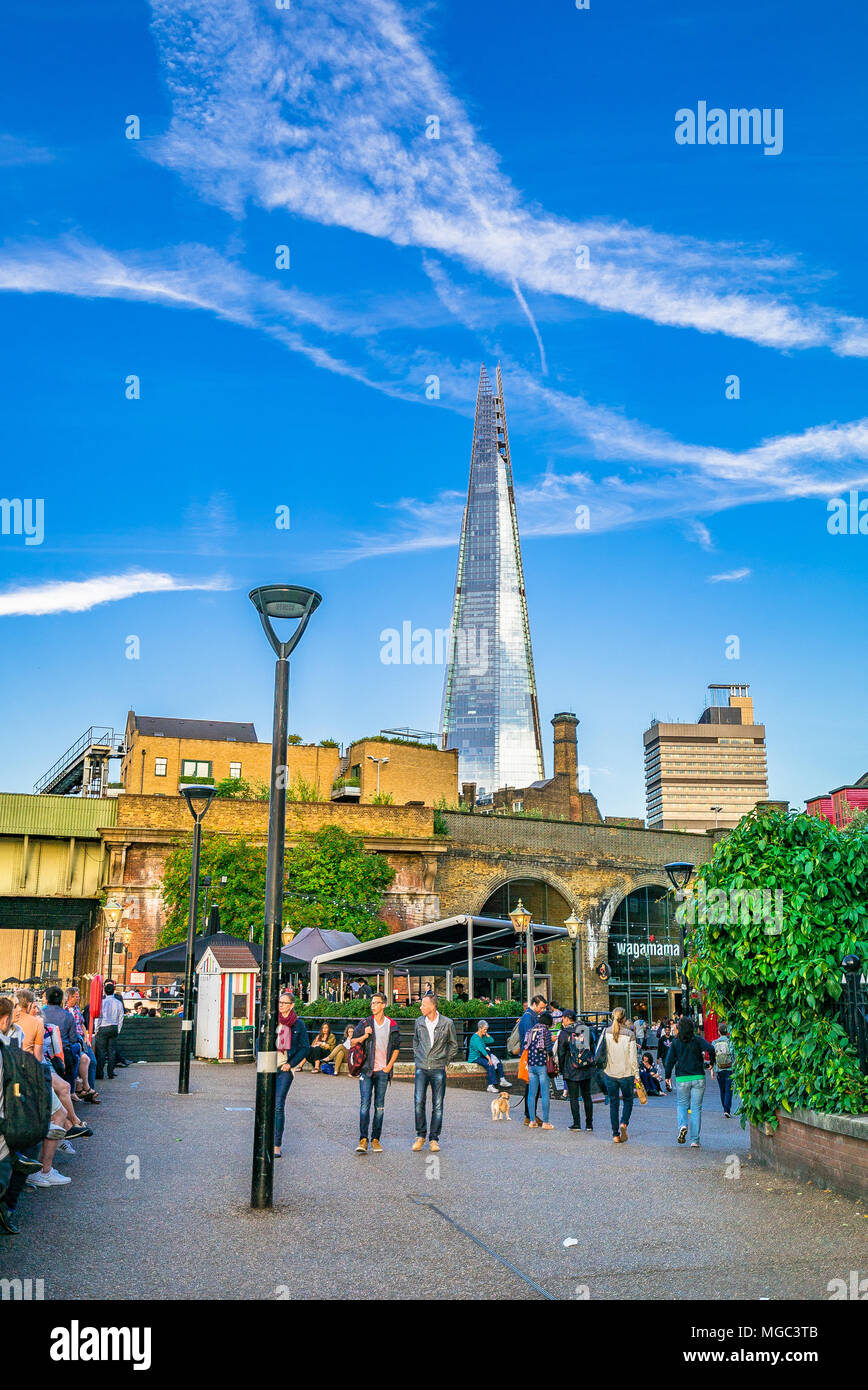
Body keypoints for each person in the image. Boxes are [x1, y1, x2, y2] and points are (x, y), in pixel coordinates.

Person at [352, 992, 400, 1153]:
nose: (373, 1006)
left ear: (383, 1005)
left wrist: (388, 1067)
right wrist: (364, 1035)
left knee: (379, 1106)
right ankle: (363, 1139)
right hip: (367, 1070)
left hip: (383, 1071)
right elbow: (351, 1042)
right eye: (372, 1003)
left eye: (376, 1003)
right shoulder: (365, 1023)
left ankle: (375, 1139)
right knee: (364, 1105)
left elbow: (396, 1048)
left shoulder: (392, 1025)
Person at [412, 994, 460, 1152]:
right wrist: (418, 1057)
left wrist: (446, 1061)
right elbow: (415, 1042)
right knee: (418, 1102)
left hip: (438, 1067)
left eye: (423, 1005)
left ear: (432, 1006)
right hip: (421, 1067)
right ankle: (420, 1136)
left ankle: (434, 1139)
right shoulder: (419, 1022)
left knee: (438, 1105)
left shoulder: (447, 1023)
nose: (421, 1007)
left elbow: (453, 1045)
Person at [665, 1016, 716, 1146]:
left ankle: (682, 1125)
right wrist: (711, 1063)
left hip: (682, 1077)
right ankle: (694, 1140)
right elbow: (711, 1048)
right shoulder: (697, 1040)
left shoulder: (676, 1042)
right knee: (696, 1108)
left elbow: (669, 1060)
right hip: (698, 1077)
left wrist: (667, 1076)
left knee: (682, 1104)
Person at [595, 1007, 640, 1143]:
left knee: (613, 1103)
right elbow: (633, 1058)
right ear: (624, 1019)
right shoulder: (629, 1034)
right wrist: (637, 1075)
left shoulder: (606, 1032)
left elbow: (599, 1051)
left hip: (610, 1073)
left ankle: (615, 1134)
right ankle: (624, 1123)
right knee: (628, 1100)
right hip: (626, 1073)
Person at [274, 991, 309, 1157]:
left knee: (278, 1104)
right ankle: (265, 1139)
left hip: (285, 1068)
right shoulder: (272, 1020)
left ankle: (276, 1144)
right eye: (280, 1002)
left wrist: (291, 1064)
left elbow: (305, 1047)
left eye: (284, 1003)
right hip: (269, 1066)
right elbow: (260, 1039)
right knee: (266, 1104)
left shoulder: (298, 1024)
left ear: (292, 1005)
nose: (281, 1005)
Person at [556, 1010, 596, 1131]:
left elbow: (561, 1053)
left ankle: (577, 1124)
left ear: (567, 1018)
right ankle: (589, 1124)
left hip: (571, 1068)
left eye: (563, 1018)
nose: (562, 1020)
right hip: (586, 1067)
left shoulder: (564, 1033)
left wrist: (562, 1069)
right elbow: (592, 1047)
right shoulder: (586, 1030)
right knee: (587, 1096)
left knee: (573, 1097)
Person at [517, 994, 548, 1125]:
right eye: (541, 1007)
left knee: (533, 1087)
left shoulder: (531, 1016)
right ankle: (529, 1116)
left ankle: (531, 1115)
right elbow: (530, 1038)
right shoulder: (528, 1017)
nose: (542, 1010)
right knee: (531, 1087)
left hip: (532, 1056)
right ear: (534, 1004)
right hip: (532, 1057)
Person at [525, 1010, 555, 1129]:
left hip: (531, 1065)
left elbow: (526, 1045)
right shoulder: (546, 1032)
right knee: (545, 1094)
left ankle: (532, 1121)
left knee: (531, 1094)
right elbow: (549, 1049)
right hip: (542, 1065)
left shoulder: (530, 1030)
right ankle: (546, 1122)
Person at [468, 1020, 511, 1093]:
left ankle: (502, 1080)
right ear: (480, 1028)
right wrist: (489, 1059)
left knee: (498, 1061)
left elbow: (491, 1040)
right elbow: (481, 1049)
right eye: (484, 1029)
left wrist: (487, 1035)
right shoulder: (475, 1038)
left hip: (482, 1055)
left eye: (486, 1029)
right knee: (490, 1064)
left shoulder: (482, 1036)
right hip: (475, 1057)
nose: (486, 1031)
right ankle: (490, 1086)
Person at [93, 981, 125, 1079]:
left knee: (101, 1052)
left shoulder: (102, 1003)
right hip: (114, 1027)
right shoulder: (118, 1003)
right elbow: (121, 1017)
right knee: (112, 1051)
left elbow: (98, 1017)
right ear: (114, 990)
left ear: (104, 990)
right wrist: (118, 1029)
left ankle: (100, 1073)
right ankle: (111, 1073)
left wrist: (96, 1029)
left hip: (103, 1027)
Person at [710, 1020, 734, 1117]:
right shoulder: (730, 1042)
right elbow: (733, 1055)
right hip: (730, 1069)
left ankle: (724, 1107)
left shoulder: (714, 1042)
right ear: (727, 1032)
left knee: (722, 1089)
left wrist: (712, 1070)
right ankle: (727, 1110)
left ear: (719, 1032)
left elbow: (712, 1057)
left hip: (719, 1069)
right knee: (729, 1090)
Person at [656, 1023, 673, 1092]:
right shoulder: (661, 1039)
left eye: (669, 1030)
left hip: (672, 1057)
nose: (667, 1031)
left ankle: (668, 1083)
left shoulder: (673, 1038)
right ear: (665, 1031)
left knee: (669, 1070)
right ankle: (668, 1084)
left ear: (670, 1030)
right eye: (666, 1030)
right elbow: (659, 1048)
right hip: (664, 1057)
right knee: (667, 1069)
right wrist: (658, 1058)